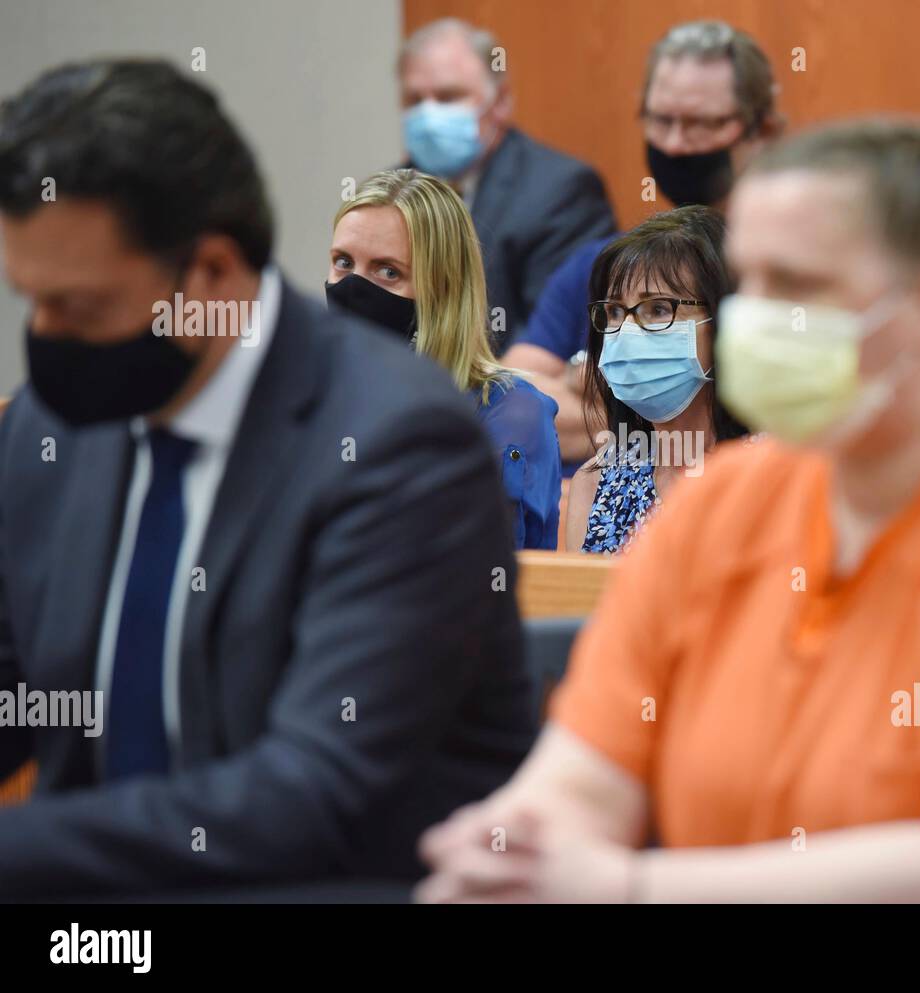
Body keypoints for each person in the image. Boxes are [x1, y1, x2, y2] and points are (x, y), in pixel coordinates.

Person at [416, 120, 920, 904]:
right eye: (752, 283)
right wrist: (504, 852)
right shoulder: (719, 505)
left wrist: (629, 888)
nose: (758, 321)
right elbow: (584, 779)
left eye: (797, 284)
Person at [0, 59, 535, 899]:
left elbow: (309, 793)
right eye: (30, 301)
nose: (46, 336)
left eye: (81, 305)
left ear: (211, 275)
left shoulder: (398, 440)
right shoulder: (50, 427)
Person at [502, 20, 782, 473]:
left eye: (701, 123)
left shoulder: (794, 269)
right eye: (661, 120)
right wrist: (642, 416)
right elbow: (515, 401)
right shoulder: (604, 263)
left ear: (761, 130)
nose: (674, 143)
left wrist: (591, 386)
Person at [326, 169, 561, 550]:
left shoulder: (509, 411)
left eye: (388, 271)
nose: (355, 286)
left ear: (443, 289)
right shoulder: (313, 403)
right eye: (343, 262)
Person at [398, 18, 617, 350]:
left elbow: (557, 338)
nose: (429, 114)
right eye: (415, 100)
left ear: (499, 101)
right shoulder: (390, 192)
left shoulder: (562, 190)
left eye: (448, 96)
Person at [565, 206, 747, 554]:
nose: (628, 332)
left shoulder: (784, 476)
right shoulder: (595, 482)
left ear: (723, 321)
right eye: (615, 312)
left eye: (659, 310)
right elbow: (579, 609)